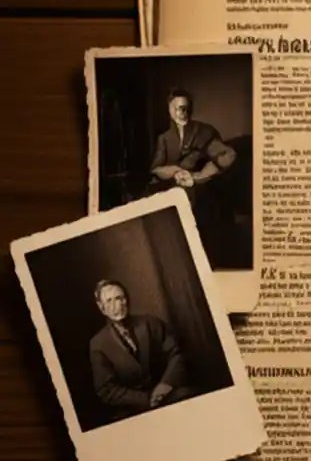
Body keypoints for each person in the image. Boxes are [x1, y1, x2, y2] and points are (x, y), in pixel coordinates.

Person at [149, 88, 237, 263]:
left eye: (185, 108)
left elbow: (228, 155)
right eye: (177, 108)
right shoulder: (164, 138)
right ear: (169, 110)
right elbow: (155, 168)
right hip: (173, 192)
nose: (182, 112)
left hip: (202, 193)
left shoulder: (203, 131)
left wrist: (197, 176)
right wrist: (175, 171)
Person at [88, 280, 191, 420]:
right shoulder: (98, 344)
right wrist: (146, 399)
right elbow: (106, 390)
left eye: (120, 298)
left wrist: (165, 385)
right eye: (109, 301)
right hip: (133, 409)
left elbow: (177, 354)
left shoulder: (151, 323)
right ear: (101, 307)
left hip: (167, 394)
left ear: (127, 300)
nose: (117, 306)